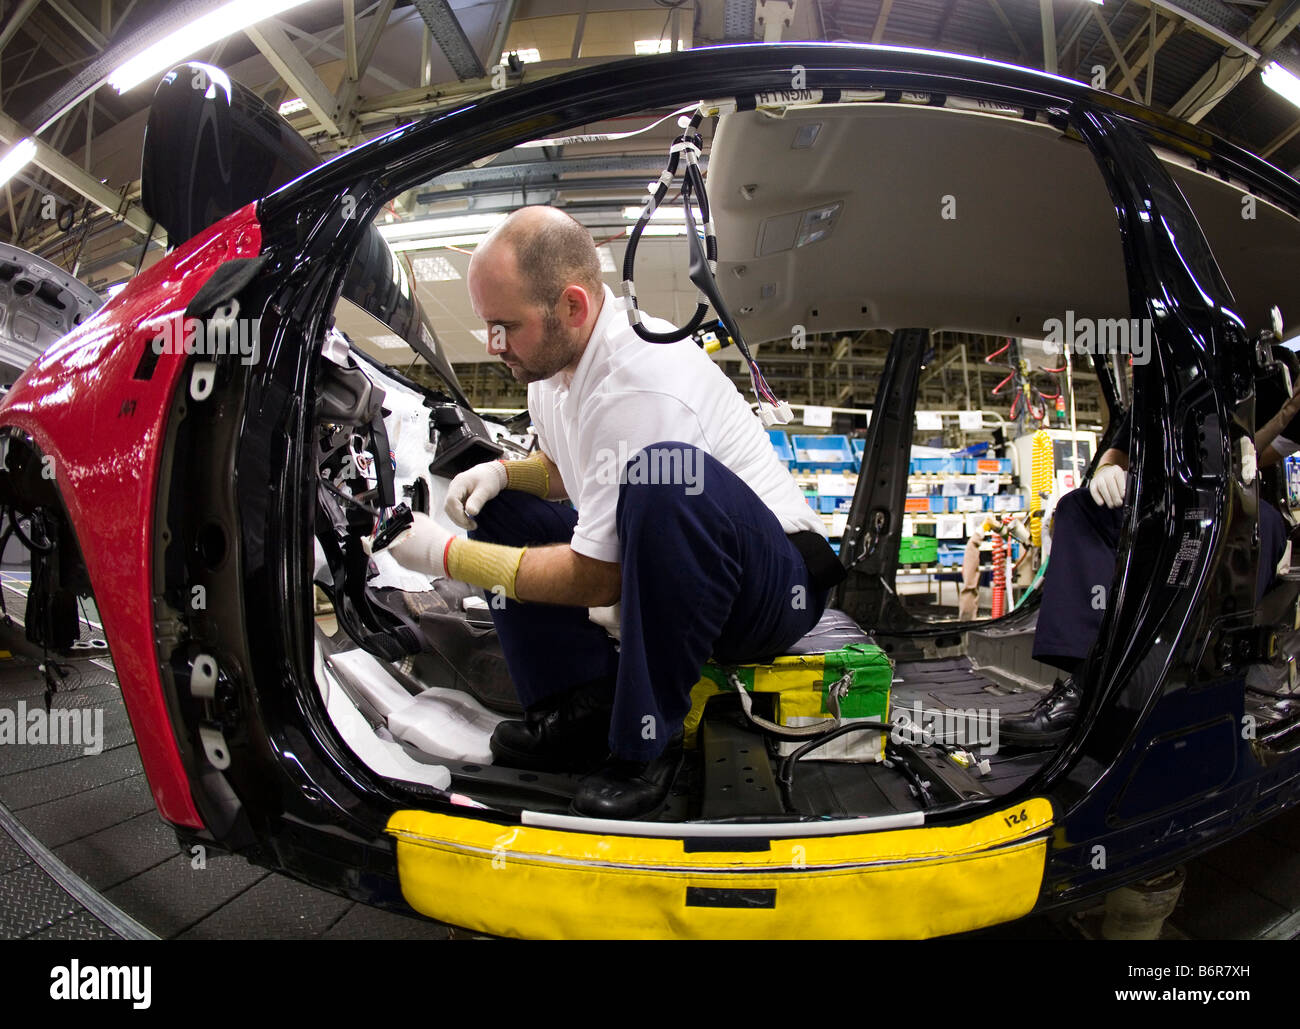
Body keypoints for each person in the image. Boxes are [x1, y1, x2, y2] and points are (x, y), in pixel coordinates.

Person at [379, 206, 839, 818]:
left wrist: (446, 556)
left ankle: (645, 741)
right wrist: (502, 473)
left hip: (771, 588)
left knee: (665, 474)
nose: (494, 347)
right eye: (490, 326)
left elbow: (600, 577)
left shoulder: (639, 381)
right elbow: (572, 470)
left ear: (572, 306)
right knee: (504, 512)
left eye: (505, 327)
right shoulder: (551, 367)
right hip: (691, 554)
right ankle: (579, 707)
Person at [1004, 390, 1293, 747]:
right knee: (1078, 507)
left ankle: (1219, 684)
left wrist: (1269, 428)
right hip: (1162, 505)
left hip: (1237, 502)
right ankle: (1088, 686)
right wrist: (1108, 468)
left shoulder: (1260, 383)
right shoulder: (1161, 387)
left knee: (1255, 525)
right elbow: (1120, 446)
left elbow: (1268, 452)